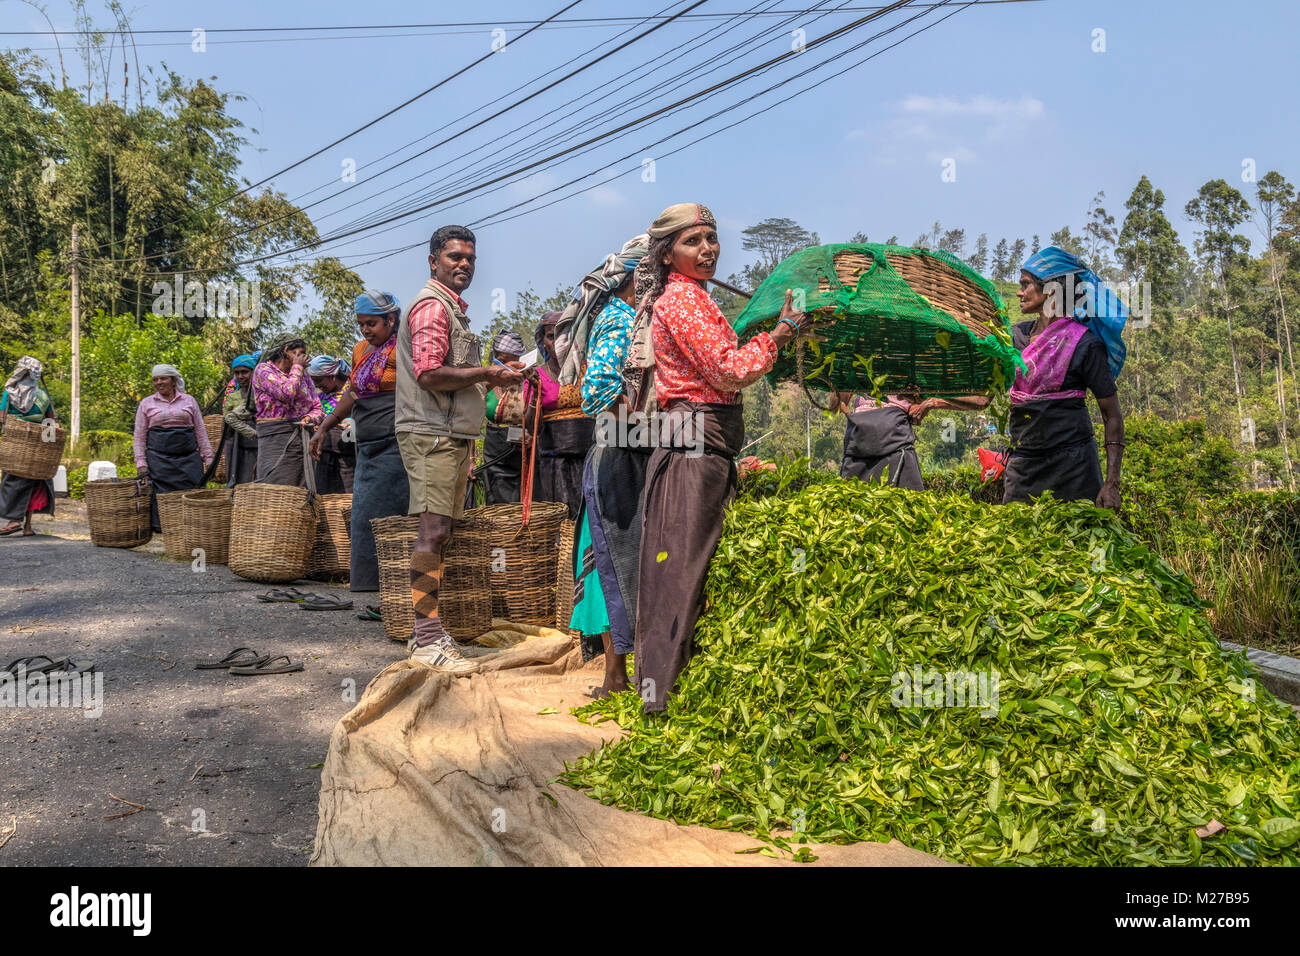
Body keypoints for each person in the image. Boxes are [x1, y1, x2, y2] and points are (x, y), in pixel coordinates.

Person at [633, 203, 823, 713]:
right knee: (682, 572)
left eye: (712, 239)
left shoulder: (696, 298)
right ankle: (662, 702)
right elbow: (727, 370)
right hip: (693, 446)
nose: (708, 249)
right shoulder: (682, 300)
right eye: (694, 241)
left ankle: (678, 692)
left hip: (707, 444)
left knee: (696, 567)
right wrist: (780, 334)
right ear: (669, 253)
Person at [396, 225, 523, 673]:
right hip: (431, 432)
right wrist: (488, 373)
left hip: (447, 433)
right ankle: (427, 638)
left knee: (442, 531)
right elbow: (430, 374)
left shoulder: (452, 309)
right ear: (434, 261)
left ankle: (426, 631)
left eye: (470, 257)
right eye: (454, 257)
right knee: (431, 533)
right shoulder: (432, 308)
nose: (464, 264)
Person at [566, 234, 651, 696]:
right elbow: (597, 392)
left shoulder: (638, 319)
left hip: (632, 451)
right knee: (611, 561)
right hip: (618, 457)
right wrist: (648, 428)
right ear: (639, 277)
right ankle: (614, 675)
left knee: (630, 557)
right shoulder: (619, 319)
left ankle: (630, 670)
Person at [1005, 247, 1123, 510]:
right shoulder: (1015, 338)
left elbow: (1111, 415)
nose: (1019, 292)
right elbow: (984, 391)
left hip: (1075, 470)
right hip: (1023, 468)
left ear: (1051, 291)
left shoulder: (1085, 344)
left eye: (1025, 285)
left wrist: (1112, 484)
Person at [310, 291, 409, 593]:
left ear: (391, 320)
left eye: (372, 323)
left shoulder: (405, 347)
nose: (366, 330)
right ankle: (367, 584)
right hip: (367, 445)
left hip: (398, 442)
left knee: (397, 515)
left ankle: (399, 586)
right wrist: (326, 425)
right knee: (364, 515)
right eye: (361, 324)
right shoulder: (360, 350)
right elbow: (352, 392)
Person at [827, 390, 988, 489]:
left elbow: (980, 401)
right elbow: (834, 405)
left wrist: (931, 403)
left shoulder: (910, 359)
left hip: (890, 435)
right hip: (861, 438)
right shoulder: (859, 361)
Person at [523, 313, 594, 520]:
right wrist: (535, 393)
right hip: (555, 463)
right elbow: (530, 427)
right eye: (552, 336)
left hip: (589, 455)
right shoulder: (537, 377)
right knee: (562, 517)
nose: (559, 342)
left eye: (566, 334)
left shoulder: (589, 369)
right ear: (542, 343)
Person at [134, 364, 212, 532]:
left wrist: (209, 457)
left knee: (191, 493)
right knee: (162, 497)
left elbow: (200, 430)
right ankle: (165, 531)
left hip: (188, 459)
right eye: (155, 379)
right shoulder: (147, 403)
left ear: (173, 380)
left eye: (163, 378)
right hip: (159, 461)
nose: (159, 382)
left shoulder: (189, 401)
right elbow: (139, 437)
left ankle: (191, 530)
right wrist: (141, 464)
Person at [252, 334, 321, 488]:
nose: (303, 357)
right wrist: (297, 367)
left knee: (299, 486)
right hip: (276, 438)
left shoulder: (304, 375)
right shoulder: (263, 370)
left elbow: (317, 407)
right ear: (284, 350)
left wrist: (310, 418)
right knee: (275, 484)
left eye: (304, 353)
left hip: (300, 437)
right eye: (298, 353)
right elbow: (286, 393)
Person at [0, 357, 56, 536]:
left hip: (15, 447)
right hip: (37, 448)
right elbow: (50, 423)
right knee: (34, 484)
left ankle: (14, 520)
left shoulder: (9, 393)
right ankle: (27, 526)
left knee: (12, 481)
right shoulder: (43, 396)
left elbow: (2, 417)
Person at [480, 331, 526, 504]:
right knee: (497, 505)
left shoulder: (529, 382)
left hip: (522, 452)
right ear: (494, 359)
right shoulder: (484, 385)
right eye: (503, 361)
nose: (509, 366)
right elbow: (471, 420)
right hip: (494, 453)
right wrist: (470, 460)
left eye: (513, 360)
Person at [307, 355, 355, 494]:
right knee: (323, 494)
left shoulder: (352, 392)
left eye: (318, 380)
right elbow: (317, 415)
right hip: (325, 453)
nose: (316, 385)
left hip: (348, 455)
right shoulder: (321, 397)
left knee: (348, 494)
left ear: (332, 376)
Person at [222, 353, 259, 486]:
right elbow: (226, 425)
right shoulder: (233, 397)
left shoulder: (261, 394)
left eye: (245, 372)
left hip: (261, 447)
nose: (240, 376)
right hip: (239, 448)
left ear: (254, 372)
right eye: (237, 373)